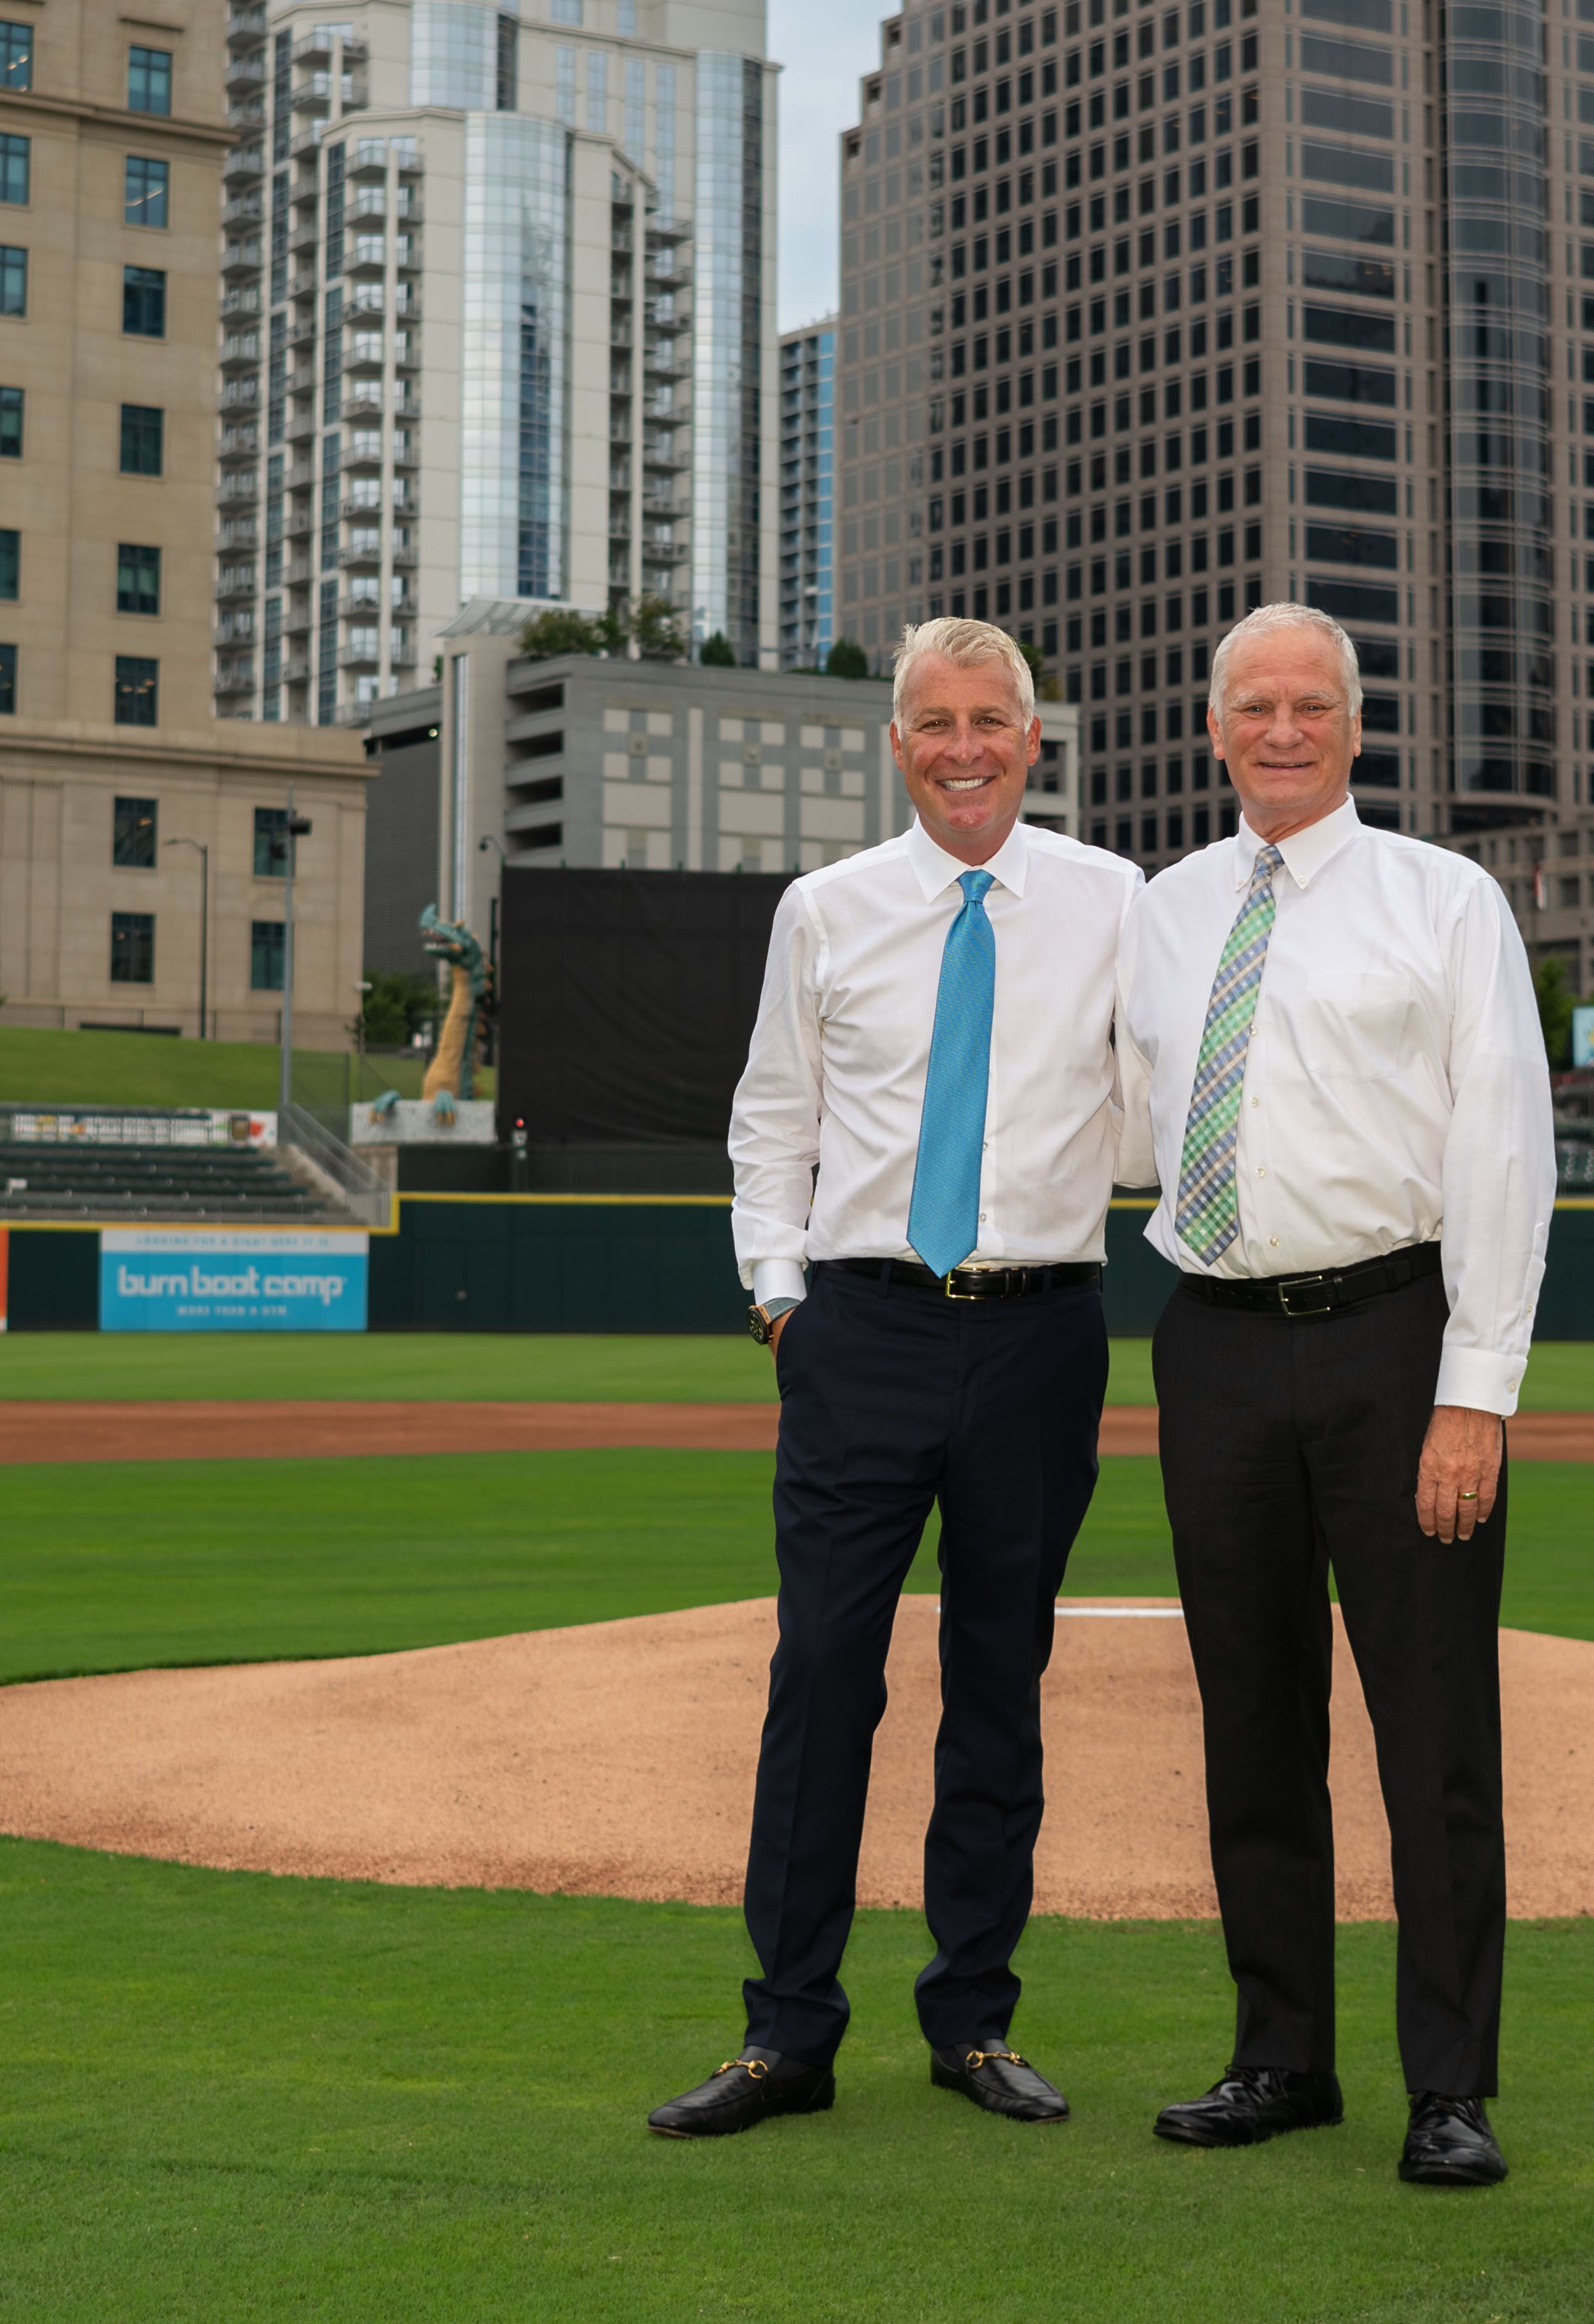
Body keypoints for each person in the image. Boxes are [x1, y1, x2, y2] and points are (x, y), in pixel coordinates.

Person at [651, 618, 1145, 2142]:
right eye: (932, 721)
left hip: (1043, 1329)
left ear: (1033, 736)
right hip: (858, 1330)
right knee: (821, 1680)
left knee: (1000, 1686)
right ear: (896, 744)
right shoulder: (827, 907)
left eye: (988, 718)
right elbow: (769, 1116)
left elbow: (1173, 1087)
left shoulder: (1119, 901)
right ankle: (785, 2031)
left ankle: (974, 2021)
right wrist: (780, 1303)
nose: (962, 747)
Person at [1122, 601, 1555, 2191]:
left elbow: (1504, 1143)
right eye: (1255, 703)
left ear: (1357, 726)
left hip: (1395, 1335)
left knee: (1432, 1727)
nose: (1283, 727)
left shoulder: (1444, 901)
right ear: (1214, 726)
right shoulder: (1160, 913)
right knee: (1252, 1716)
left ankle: (1445, 2082)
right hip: (1214, 1339)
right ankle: (1278, 2055)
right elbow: (1120, 1116)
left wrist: (1475, 1391)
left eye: (1312, 702)